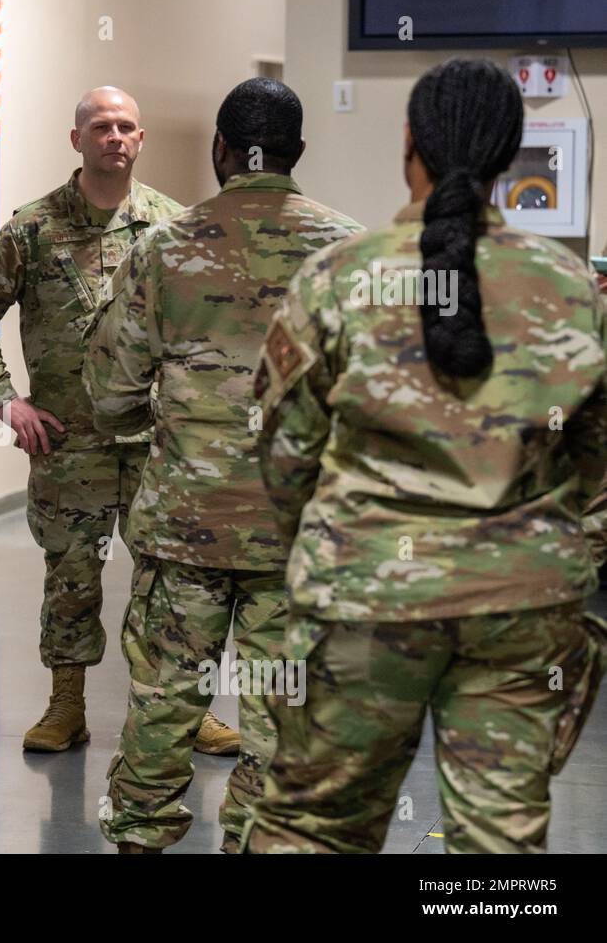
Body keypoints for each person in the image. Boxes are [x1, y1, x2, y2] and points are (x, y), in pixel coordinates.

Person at [244, 58, 607, 854]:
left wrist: (338, 545)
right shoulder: (575, 287)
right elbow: (596, 463)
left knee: (314, 826)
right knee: (498, 839)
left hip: (363, 596)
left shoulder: (337, 278)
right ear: (511, 155)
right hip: (520, 605)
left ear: (408, 140)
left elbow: (284, 451)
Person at [85, 79, 361, 853]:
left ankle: (140, 836)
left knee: (163, 704)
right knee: (281, 713)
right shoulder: (348, 253)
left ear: (220, 151)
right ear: (298, 153)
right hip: (297, 540)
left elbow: (108, 395)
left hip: (184, 531)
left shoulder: (162, 248)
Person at [0, 87, 237, 755]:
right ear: (76, 140)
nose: (115, 137)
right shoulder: (33, 229)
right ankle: (65, 706)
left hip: (155, 441)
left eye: (127, 127)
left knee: (170, 581)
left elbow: (208, 328)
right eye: (101, 126)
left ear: (140, 140)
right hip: (67, 444)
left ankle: (181, 712)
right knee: (70, 578)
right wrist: (3, 400)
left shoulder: (172, 226)